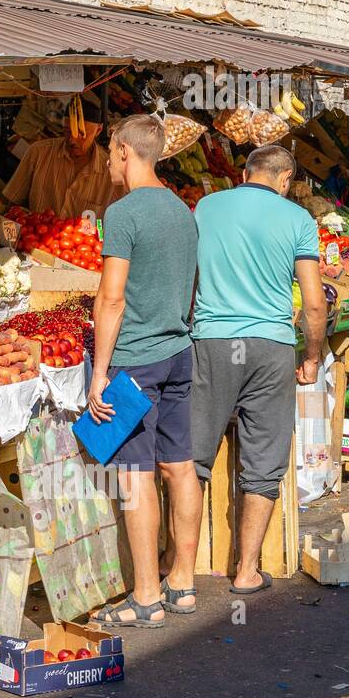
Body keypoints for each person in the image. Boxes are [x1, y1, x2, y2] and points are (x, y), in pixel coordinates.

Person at [191, 145, 327, 594]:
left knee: (193, 458)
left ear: (245, 173)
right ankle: (247, 572)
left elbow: (189, 276)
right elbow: (313, 303)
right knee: (263, 463)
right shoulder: (298, 220)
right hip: (270, 346)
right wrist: (311, 357)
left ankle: (179, 571)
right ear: (285, 179)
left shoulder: (207, 207)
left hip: (211, 341)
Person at [86, 115, 199, 629]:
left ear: (126, 151)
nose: (109, 161)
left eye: (110, 152)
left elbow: (110, 298)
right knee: (179, 467)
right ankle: (184, 584)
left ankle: (147, 596)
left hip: (136, 358)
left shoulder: (123, 212)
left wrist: (99, 374)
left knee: (136, 476)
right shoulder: (182, 210)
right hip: (180, 350)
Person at [3, 120, 124, 218]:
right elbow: (12, 204)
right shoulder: (38, 152)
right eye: (67, 131)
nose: (72, 140)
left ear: (98, 130)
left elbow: (109, 227)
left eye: (82, 133)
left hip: (86, 246)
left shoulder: (113, 171)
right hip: (36, 242)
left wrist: (98, 240)